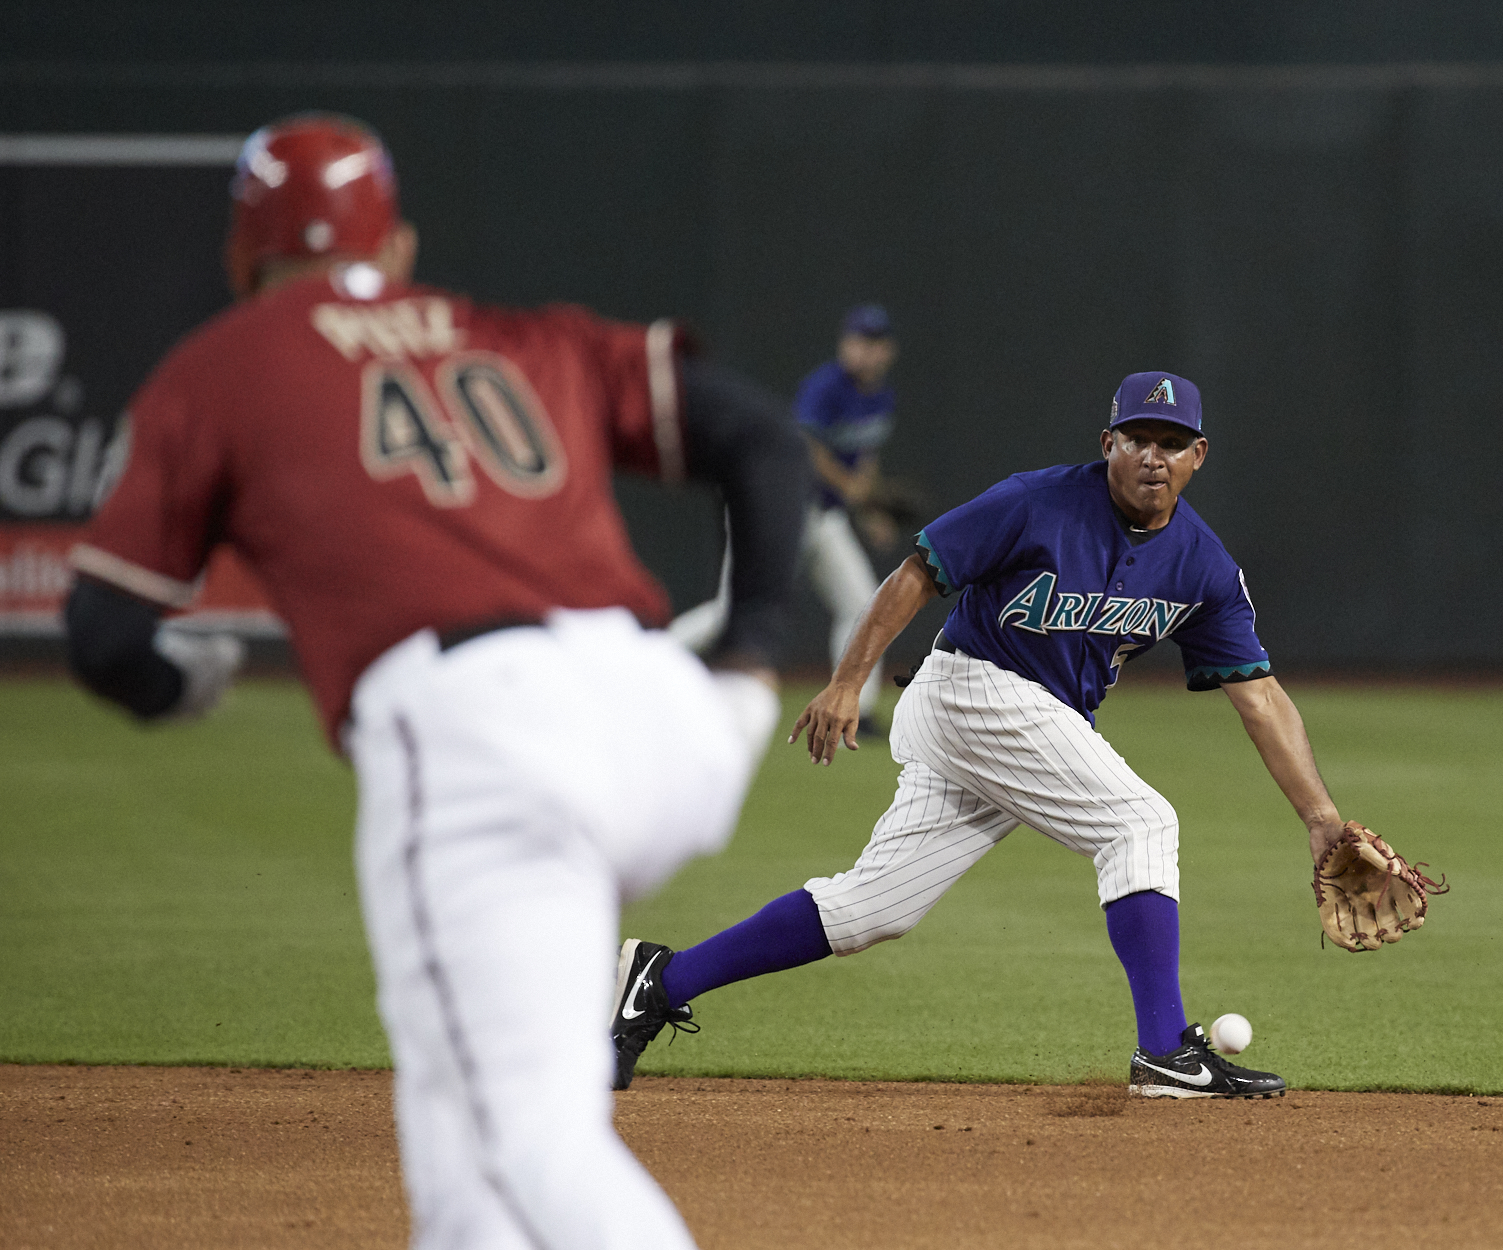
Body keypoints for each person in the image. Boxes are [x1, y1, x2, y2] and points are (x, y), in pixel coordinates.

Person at [61, 113, 809, 1248]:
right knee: (461, 1171)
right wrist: (753, 660)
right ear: (397, 245)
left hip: (479, 741)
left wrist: (181, 683)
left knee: (536, 1139)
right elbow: (763, 438)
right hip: (662, 717)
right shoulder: (510, 333)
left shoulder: (221, 367)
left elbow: (106, 635)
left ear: (239, 258)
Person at [613, 371, 1355, 1100]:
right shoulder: (1036, 502)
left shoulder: (1204, 566)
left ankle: (657, 979)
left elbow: (1258, 695)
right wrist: (847, 681)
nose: (1152, 456)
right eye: (1138, 438)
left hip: (1024, 721)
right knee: (1140, 823)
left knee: (873, 909)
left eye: (1172, 441)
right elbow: (917, 573)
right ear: (1108, 444)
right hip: (973, 688)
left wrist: (1322, 818)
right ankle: (1164, 1052)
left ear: (1199, 455)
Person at [668, 304, 899, 735]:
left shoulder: (881, 397)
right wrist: (851, 488)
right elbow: (804, 447)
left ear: (887, 350)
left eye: (872, 342)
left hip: (825, 517)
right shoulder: (825, 387)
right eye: (856, 340)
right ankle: (654, 654)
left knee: (863, 603)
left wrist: (870, 510)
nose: (862, 350)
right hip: (780, 507)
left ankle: (857, 709)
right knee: (729, 609)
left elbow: (865, 457)